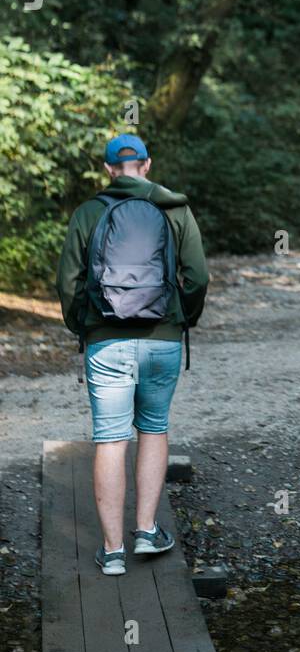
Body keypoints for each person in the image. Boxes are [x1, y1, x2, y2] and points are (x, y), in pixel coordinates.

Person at [56, 134, 208, 576]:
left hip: (107, 339)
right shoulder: (175, 208)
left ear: (107, 169)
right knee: (154, 428)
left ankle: (112, 551)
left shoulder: (89, 212)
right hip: (162, 338)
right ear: (146, 164)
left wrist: (84, 326)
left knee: (110, 437)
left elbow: (68, 282)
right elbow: (198, 276)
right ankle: (145, 531)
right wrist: (182, 319)